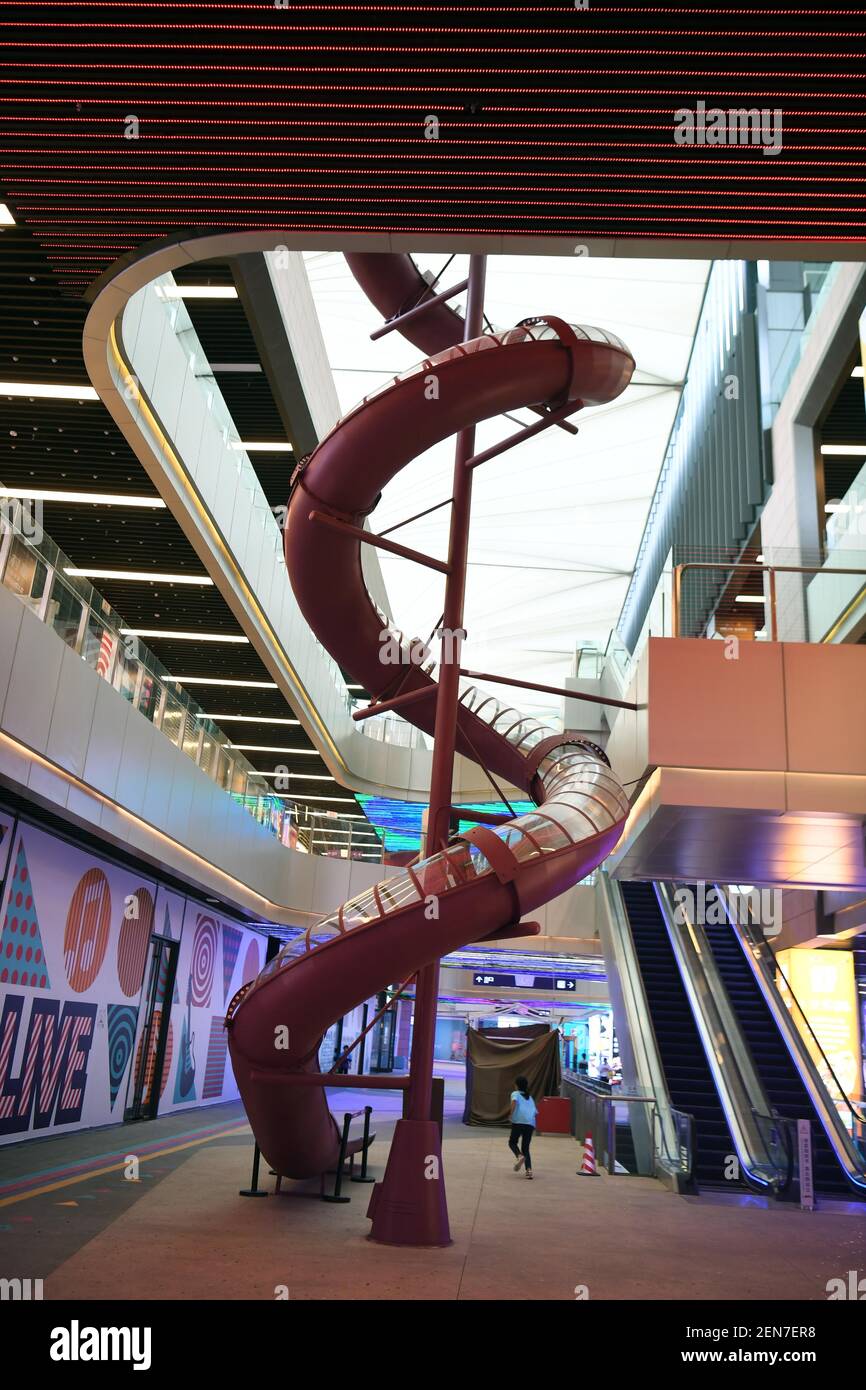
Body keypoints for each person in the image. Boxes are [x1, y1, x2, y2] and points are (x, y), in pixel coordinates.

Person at [508, 1075, 538, 1179]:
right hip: (530, 1124)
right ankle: (529, 1171)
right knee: (525, 1148)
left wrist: (511, 1115)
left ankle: (519, 1156)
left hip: (518, 1122)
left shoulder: (515, 1094)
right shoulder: (530, 1098)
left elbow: (514, 1102)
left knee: (512, 1142)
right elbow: (535, 1112)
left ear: (516, 1085)